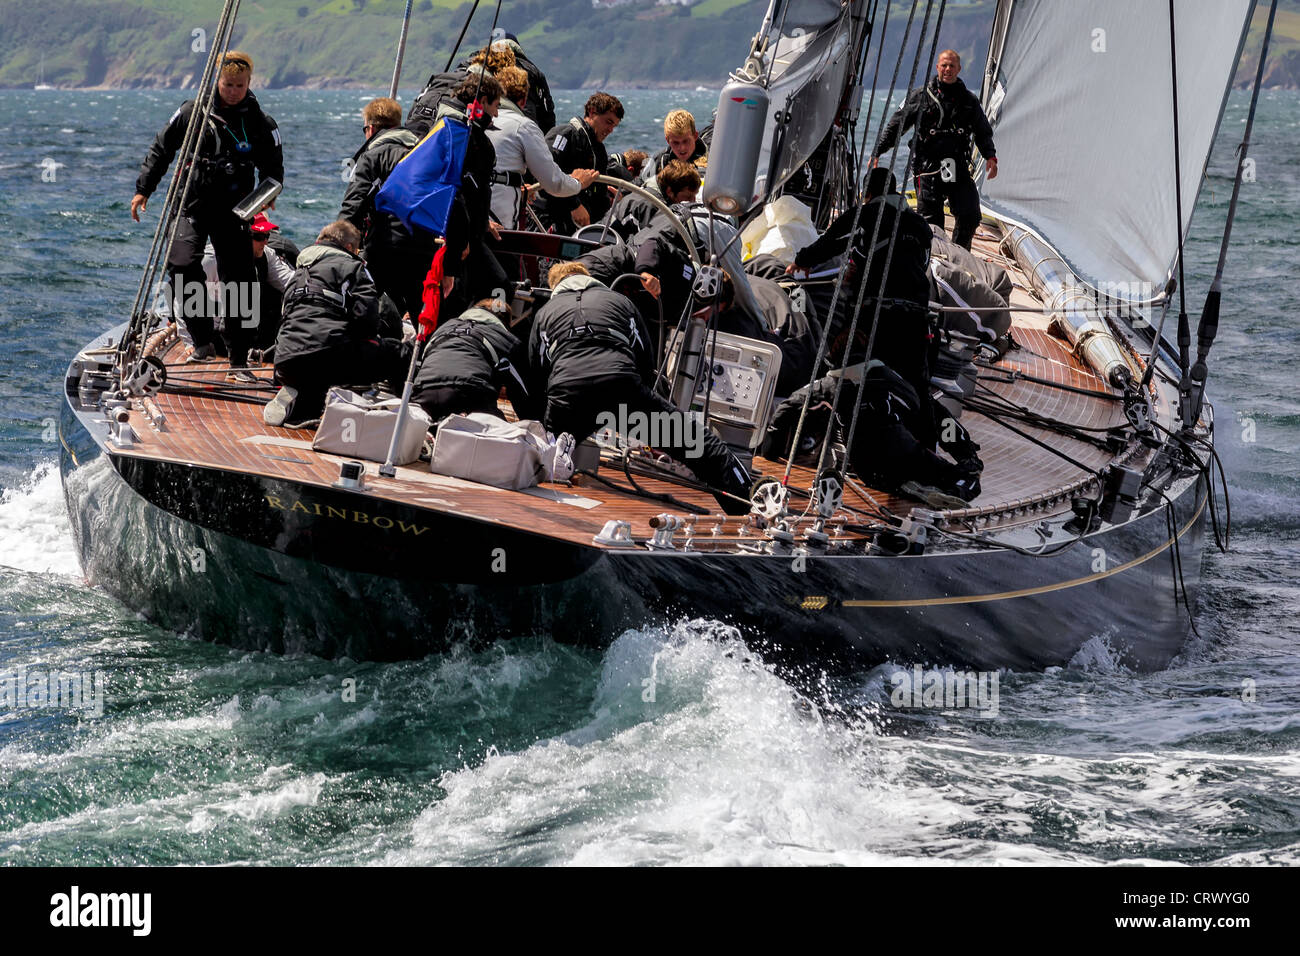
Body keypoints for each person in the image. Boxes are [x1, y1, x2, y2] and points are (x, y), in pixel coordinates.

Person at [529, 262, 753, 515]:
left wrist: (543, 421)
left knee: (543, 444)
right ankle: (744, 505)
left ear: (555, 288)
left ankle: (551, 453)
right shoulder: (620, 302)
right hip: (620, 387)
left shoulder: (545, 312)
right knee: (699, 444)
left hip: (567, 394)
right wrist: (644, 411)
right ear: (587, 278)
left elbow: (537, 376)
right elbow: (645, 362)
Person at [131, 51, 283, 380]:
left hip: (235, 211)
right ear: (218, 80)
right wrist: (144, 188)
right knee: (182, 264)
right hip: (193, 205)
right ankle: (201, 340)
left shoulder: (260, 122)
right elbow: (162, 148)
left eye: (239, 86)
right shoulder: (191, 113)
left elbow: (274, 174)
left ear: (249, 84)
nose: (233, 91)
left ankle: (239, 359)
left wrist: (264, 199)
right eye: (228, 84)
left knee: (240, 281)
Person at [265, 220, 408, 427]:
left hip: (286, 361)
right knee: (399, 353)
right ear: (350, 248)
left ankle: (301, 412)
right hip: (325, 357)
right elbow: (368, 319)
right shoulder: (353, 267)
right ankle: (403, 422)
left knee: (317, 361)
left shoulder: (299, 271)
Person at [873, 49, 997, 250]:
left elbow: (982, 130)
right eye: (944, 65)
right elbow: (897, 124)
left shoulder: (969, 100)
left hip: (956, 166)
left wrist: (990, 156)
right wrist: (877, 151)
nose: (948, 69)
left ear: (959, 69)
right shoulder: (921, 97)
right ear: (938, 67)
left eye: (952, 66)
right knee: (931, 220)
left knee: (970, 214)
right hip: (928, 167)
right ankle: (934, 257)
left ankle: (959, 254)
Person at [340, 96, 435, 319]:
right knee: (421, 313)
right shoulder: (424, 153)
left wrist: (335, 240)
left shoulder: (372, 156)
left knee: (363, 307)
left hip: (385, 246)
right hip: (424, 247)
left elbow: (355, 203)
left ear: (371, 128)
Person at [436, 74, 514, 317]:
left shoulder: (462, 131)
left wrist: (482, 221)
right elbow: (456, 191)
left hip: (471, 231)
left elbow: (473, 189)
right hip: (461, 237)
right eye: (495, 106)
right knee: (494, 286)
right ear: (482, 101)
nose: (498, 114)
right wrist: (462, 238)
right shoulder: (462, 134)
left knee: (490, 286)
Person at [487, 66, 598, 230]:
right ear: (524, 100)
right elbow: (553, 182)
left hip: (473, 212)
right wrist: (578, 183)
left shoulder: (479, 120)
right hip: (499, 219)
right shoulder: (523, 126)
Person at [412, 297, 535, 426]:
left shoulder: (444, 327)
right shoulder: (505, 338)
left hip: (423, 391)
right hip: (471, 395)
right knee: (501, 440)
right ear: (504, 323)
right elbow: (523, 393)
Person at [201, 212, 294, 355]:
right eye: (259, 237)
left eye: (267, 236)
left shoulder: (266, 255)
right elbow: (185, 298)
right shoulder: (211, 260)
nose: (265, 242)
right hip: (214, 333)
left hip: (248, 330)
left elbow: (289, 280)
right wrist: (191, 342)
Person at [535, 92, 625, 235]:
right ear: (592, 112)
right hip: (550, 219)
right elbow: (545, 172)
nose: (610, 130)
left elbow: (599, 193)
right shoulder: (564, 134)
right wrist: (574, 205)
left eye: (614, 126)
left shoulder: (599, 150)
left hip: (582, 226)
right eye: (608, 122)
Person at [607, 157, 699, 240]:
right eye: (688, 197)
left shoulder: (649, 193)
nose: (693, 201)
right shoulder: (651, 206)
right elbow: (646, 245)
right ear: (669, 191)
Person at [491, 35, 556, 134]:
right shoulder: (533, 70)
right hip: (527, 127)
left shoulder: (486, 67)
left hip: (491, 125)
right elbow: (547, 108)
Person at [640, 109, 707, 184]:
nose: (682, 148)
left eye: (686, 141)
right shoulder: (660, 159)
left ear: (695, 136)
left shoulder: (712, 159)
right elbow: (639, 183)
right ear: (667, 140)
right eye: (676, 143)